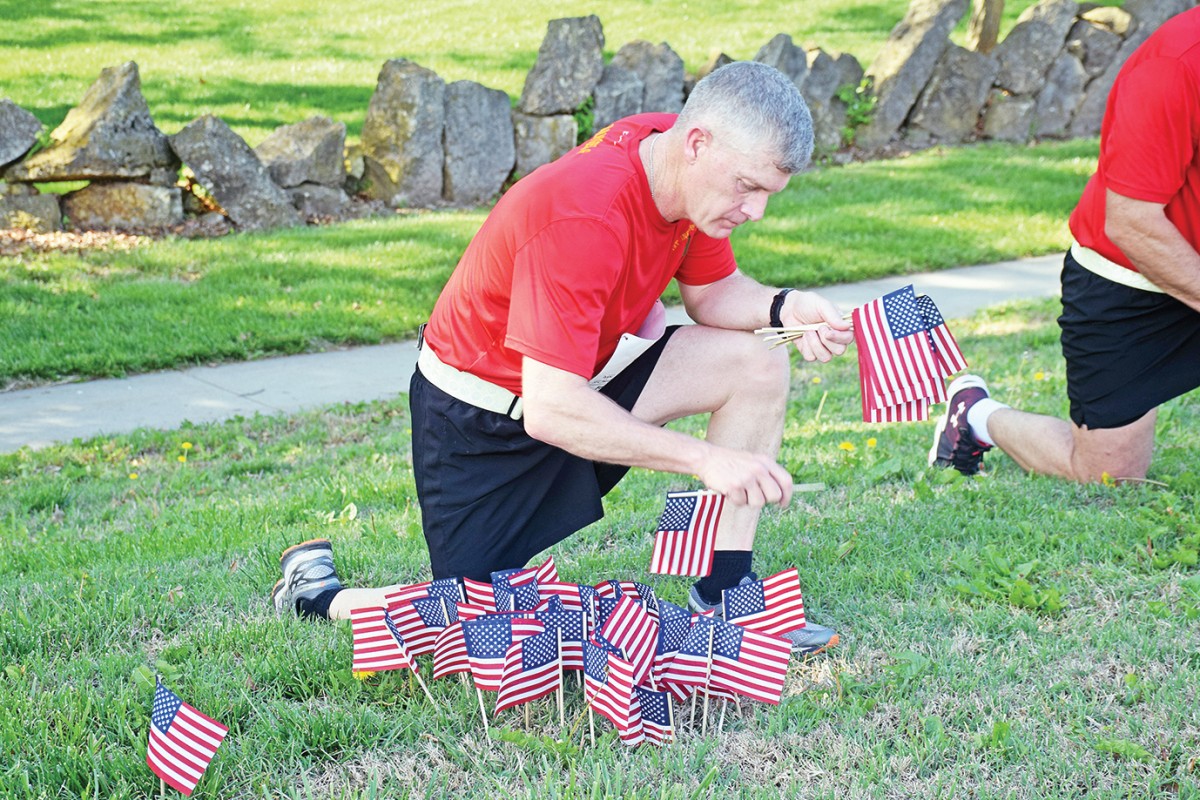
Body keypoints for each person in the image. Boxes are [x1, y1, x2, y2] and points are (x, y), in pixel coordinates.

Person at [272, 61, 854, 655]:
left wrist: (786, 307)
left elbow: (712, 294)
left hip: (579, 382)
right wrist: (707, 460)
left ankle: (725, 593)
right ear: (698, 143)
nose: (754, 211)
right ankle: (318, 596)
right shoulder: (586, 213)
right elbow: (551, 411)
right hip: (479, 420)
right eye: (748, 187)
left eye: (767, 194)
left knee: (756, 363)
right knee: (477, 626)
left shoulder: (681, 167)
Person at [930, 7, 1200, 483]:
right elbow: (1132, 223)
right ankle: (975, 415)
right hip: (1131, 276)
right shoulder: (1174, 66)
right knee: (1108, 473)